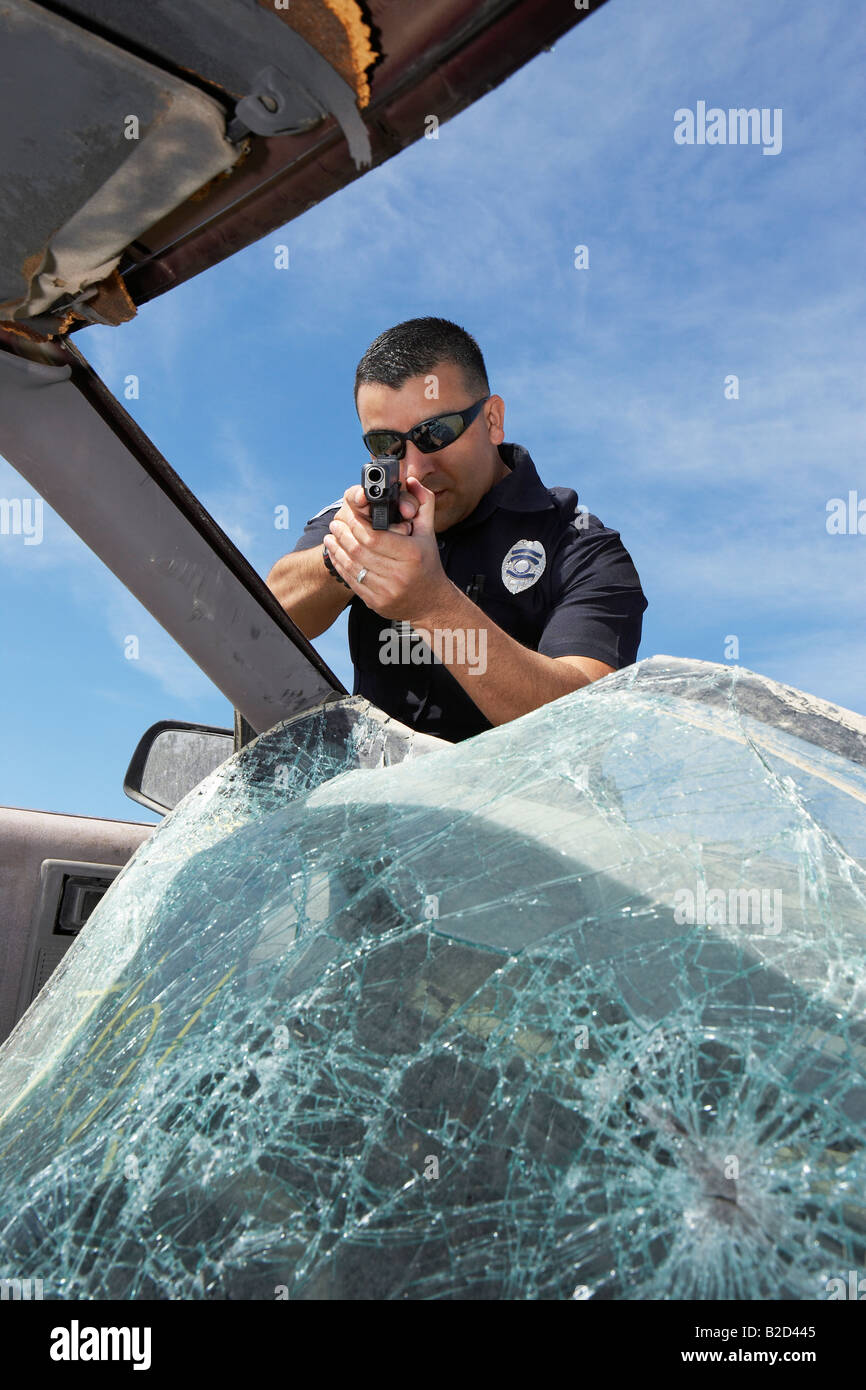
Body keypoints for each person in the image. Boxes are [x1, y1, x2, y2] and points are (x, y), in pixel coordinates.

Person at [267, 317, 648, 743]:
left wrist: (432, 606)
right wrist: (347, 557)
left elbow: (579, 722)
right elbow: (259, 620)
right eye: (386, 446)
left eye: (434, 433)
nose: (414, 469)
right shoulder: (369, 512)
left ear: (492, 420)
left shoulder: (581, 547)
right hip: (374, 804)